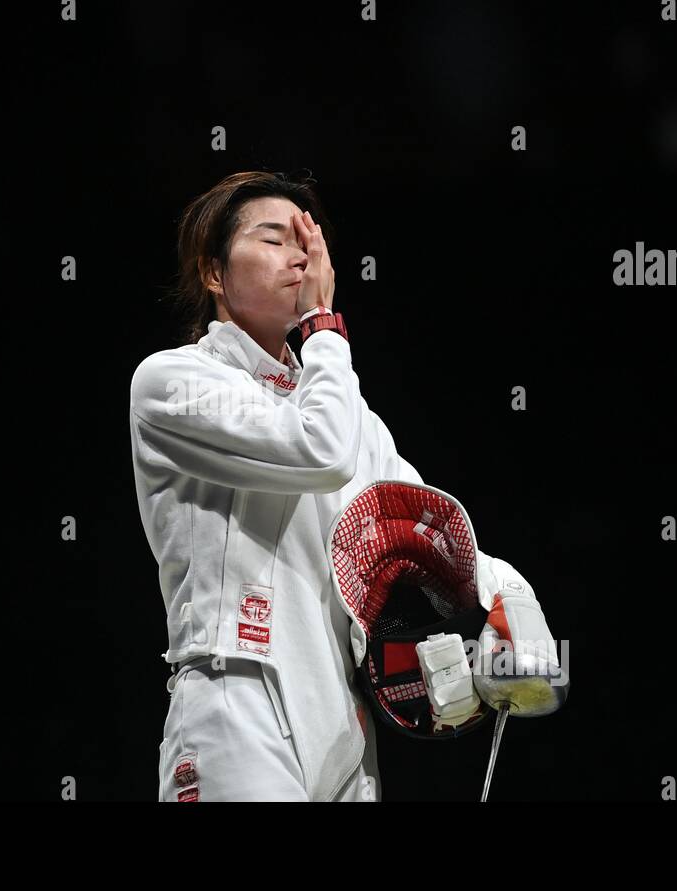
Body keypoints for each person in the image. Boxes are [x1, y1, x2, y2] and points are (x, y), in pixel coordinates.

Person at [129, 171, 444, 801]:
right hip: (235, 699)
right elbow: (319, 453)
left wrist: (503, 602)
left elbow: (425, 524)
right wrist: (323, 327)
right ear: (213, 273)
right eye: (274, 238)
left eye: (310, 241)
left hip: (342, 722)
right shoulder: (171, 382)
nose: (300, 256)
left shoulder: (345, 408)